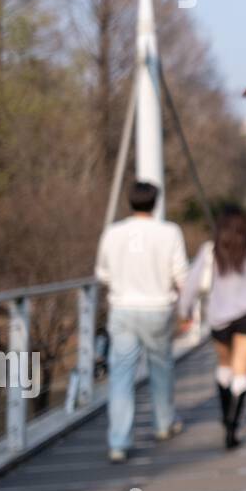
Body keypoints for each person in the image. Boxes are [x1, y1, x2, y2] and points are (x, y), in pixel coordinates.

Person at [95, 181, 189, 464]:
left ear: (130, 202)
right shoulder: (169, 232)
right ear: (156, 202)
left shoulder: (113, 233)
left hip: (122, 309)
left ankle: (119, 442)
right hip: (158, 309)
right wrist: (188, 308)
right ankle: (163, 424)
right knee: (161, 367)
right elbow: (181, 274)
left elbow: (102, 273)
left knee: (121, 375)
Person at [178, 204, 246, 449]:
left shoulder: (210, 251)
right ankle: (232, 426)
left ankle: (225, 415)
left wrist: (184, 312)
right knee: (242, 371)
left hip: (219, 318)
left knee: (224, 367)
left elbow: (191, 286)